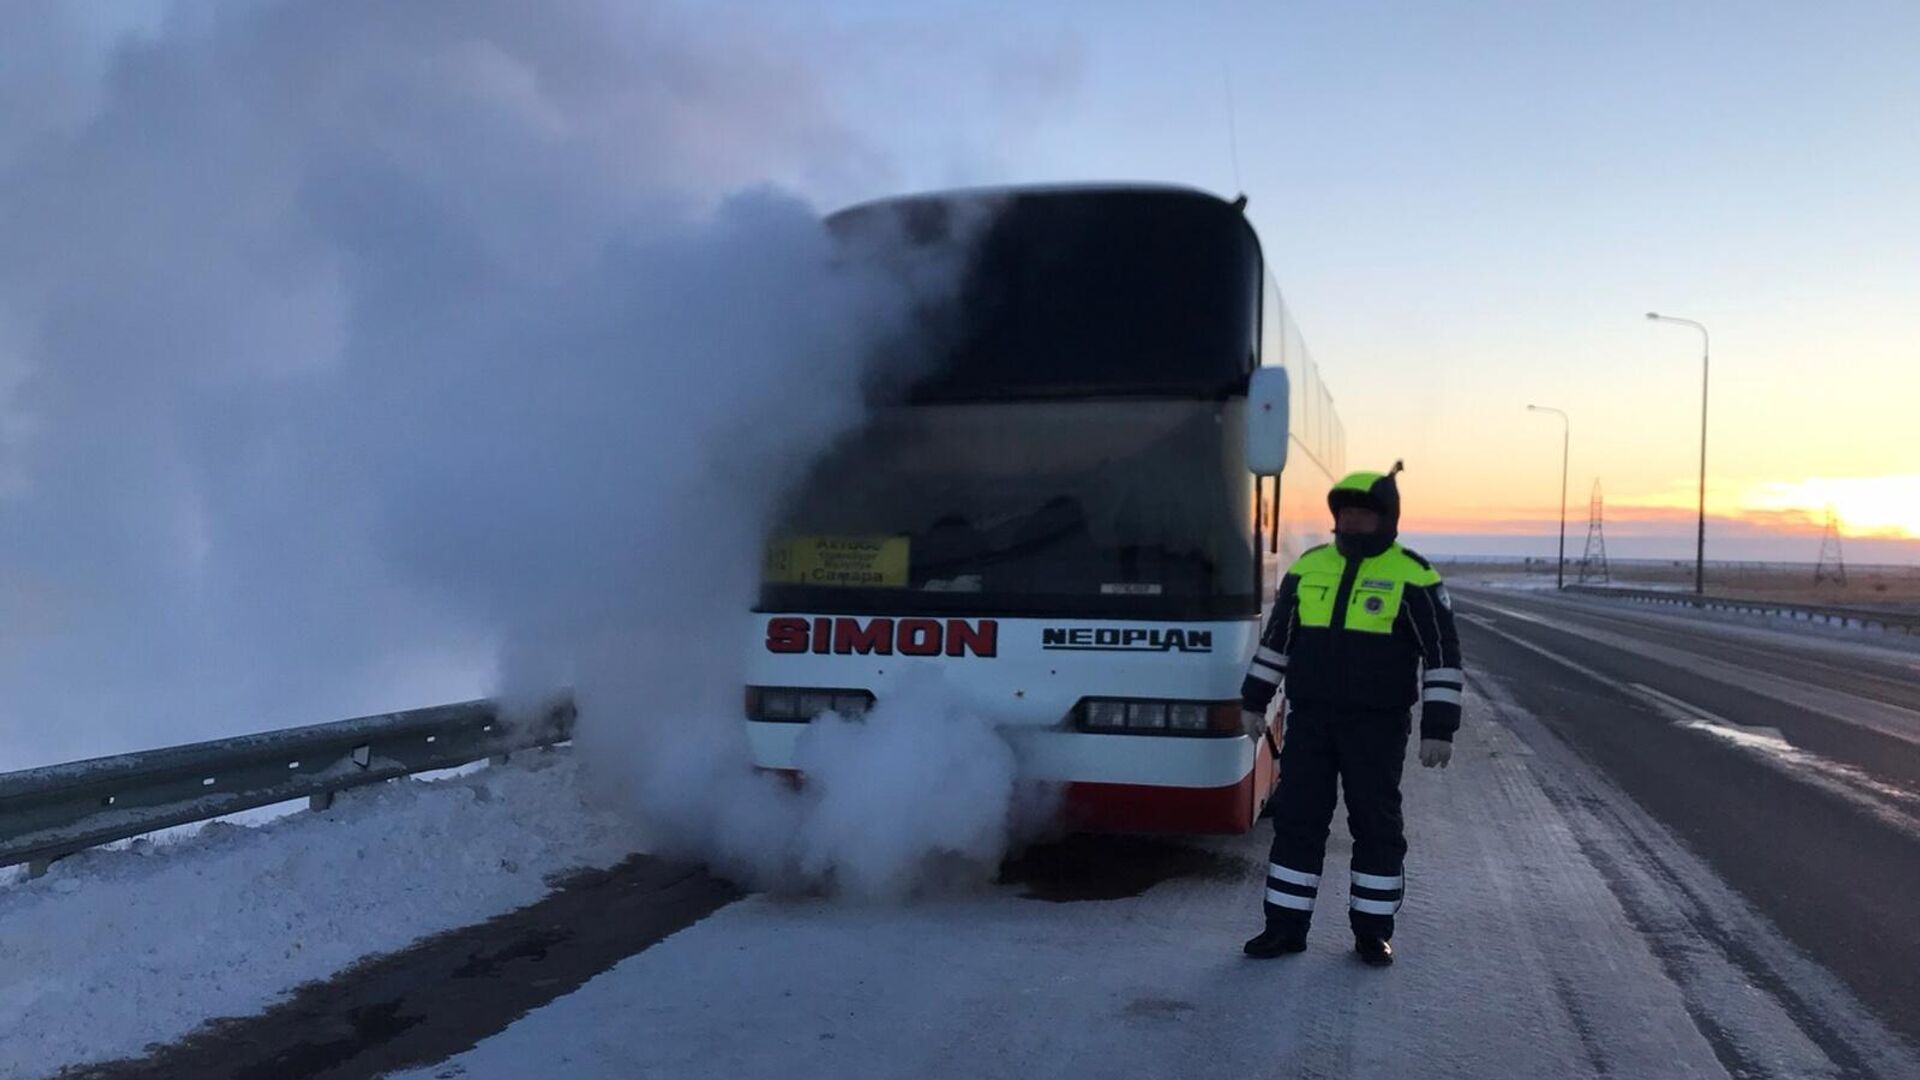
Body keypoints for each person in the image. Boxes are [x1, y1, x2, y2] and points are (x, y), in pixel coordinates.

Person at [1240, 462, 1463, 966]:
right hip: (1311, 721)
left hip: (1377, 727)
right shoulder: (1308, 568)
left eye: (1365, 514)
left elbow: (1443, 658)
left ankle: (1372, 933)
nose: (1354, 522)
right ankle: (1284, 929)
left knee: (1375, 826)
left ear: (1388, 519)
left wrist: (1439, 729)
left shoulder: (1416, 576)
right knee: (1297, 822)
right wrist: (1254, 701)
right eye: (1346, 514)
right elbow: (1276, 644)